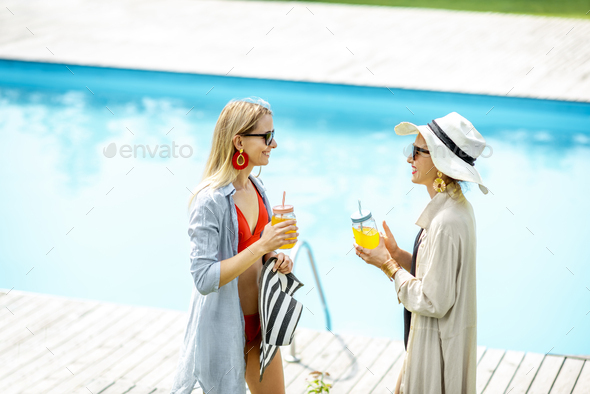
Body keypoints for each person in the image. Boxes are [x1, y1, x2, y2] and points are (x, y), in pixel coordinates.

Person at [171, 97, 299, 394]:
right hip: (223, 327)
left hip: (261, 325)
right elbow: (204, 279)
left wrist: (275, 256)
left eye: (273, 135)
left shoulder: (258, 188)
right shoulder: (209, 200)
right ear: (239, 142)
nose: (273, 144)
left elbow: (258, 251)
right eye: (266, 136)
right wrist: (261, 246)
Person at [354, 112, 488, 394]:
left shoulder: (445, 222)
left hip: (436, 356)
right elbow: (437, 274)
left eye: (417, 152)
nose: (408, 159)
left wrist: (389, 265)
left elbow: (433, 301)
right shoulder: (454, 208)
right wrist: (398, 255)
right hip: (434, 345)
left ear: (439, 161)